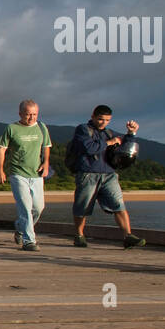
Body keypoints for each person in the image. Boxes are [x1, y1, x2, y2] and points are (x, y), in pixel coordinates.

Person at [70, 105, 146, 248]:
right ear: (93, 116)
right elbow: (89, 148)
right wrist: (109, 143)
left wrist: (131, 134)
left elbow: (123, 148)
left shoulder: (109, 133)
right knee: (82, 208)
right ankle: (79, 235)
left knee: (119, 205)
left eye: (107, 120)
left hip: (109, 175)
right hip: (88, 174)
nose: (103, 122)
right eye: (100, 119)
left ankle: (128, 236)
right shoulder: (83, 130)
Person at [0, 99, 51, 251]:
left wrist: (46, 163)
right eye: (28, 115)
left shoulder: (42, 127)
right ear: (20, 114)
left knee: (38, 208)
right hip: (18, 173)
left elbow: (46, 146)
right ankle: (29, 241)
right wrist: (0, 169)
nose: (31, 118)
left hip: (36, 174)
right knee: (25, 207)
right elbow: (2, 149)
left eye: (34, 114)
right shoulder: (12, 128)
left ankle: (20, 228)